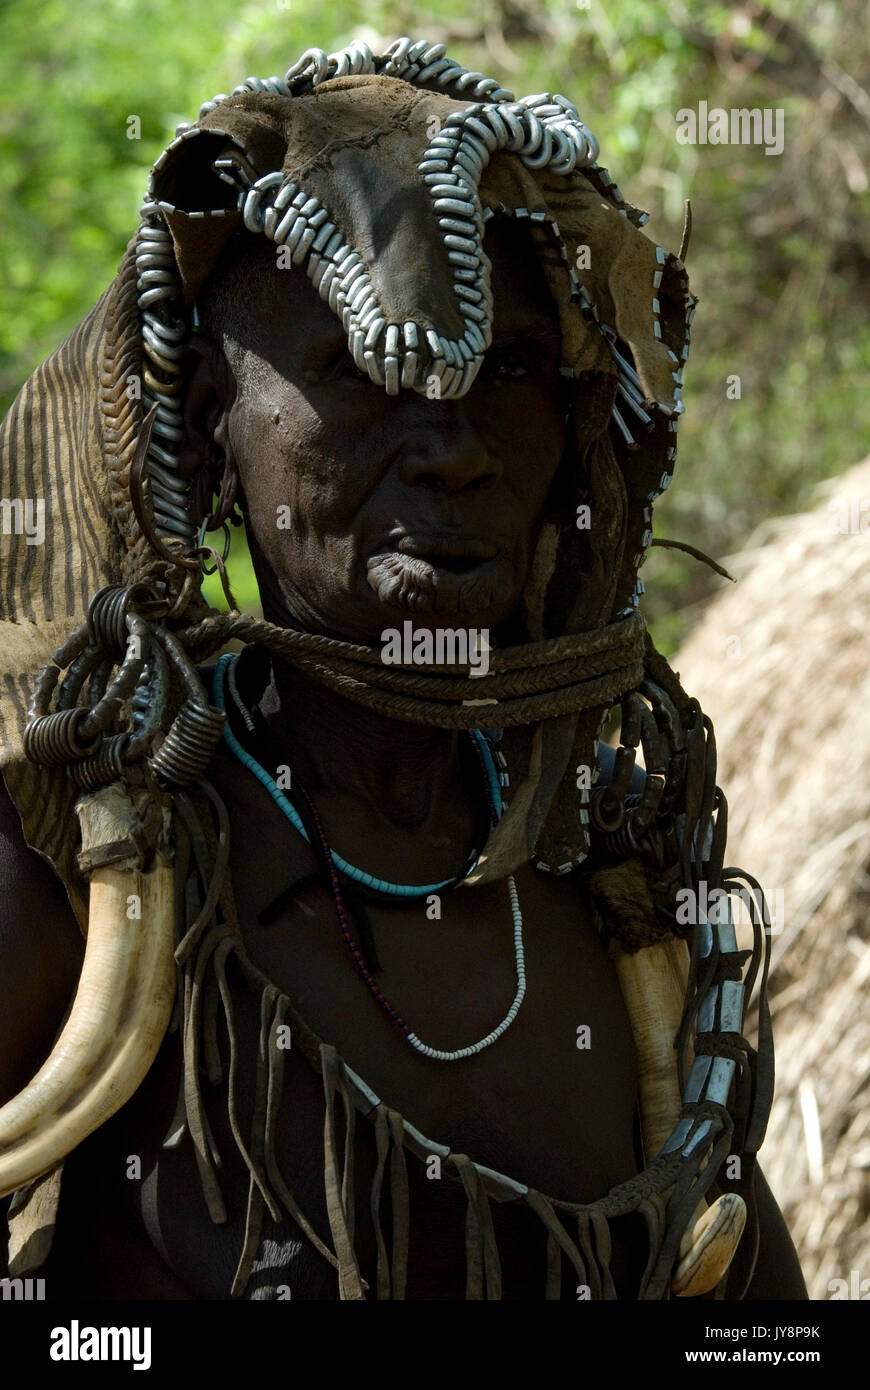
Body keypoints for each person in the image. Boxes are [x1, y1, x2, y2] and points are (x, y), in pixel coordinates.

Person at [0, 36, 806, 1299]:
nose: (455, 448)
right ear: (210, 414)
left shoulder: (620, 899)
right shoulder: (87, 877)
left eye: (513, 374)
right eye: (367, 370)